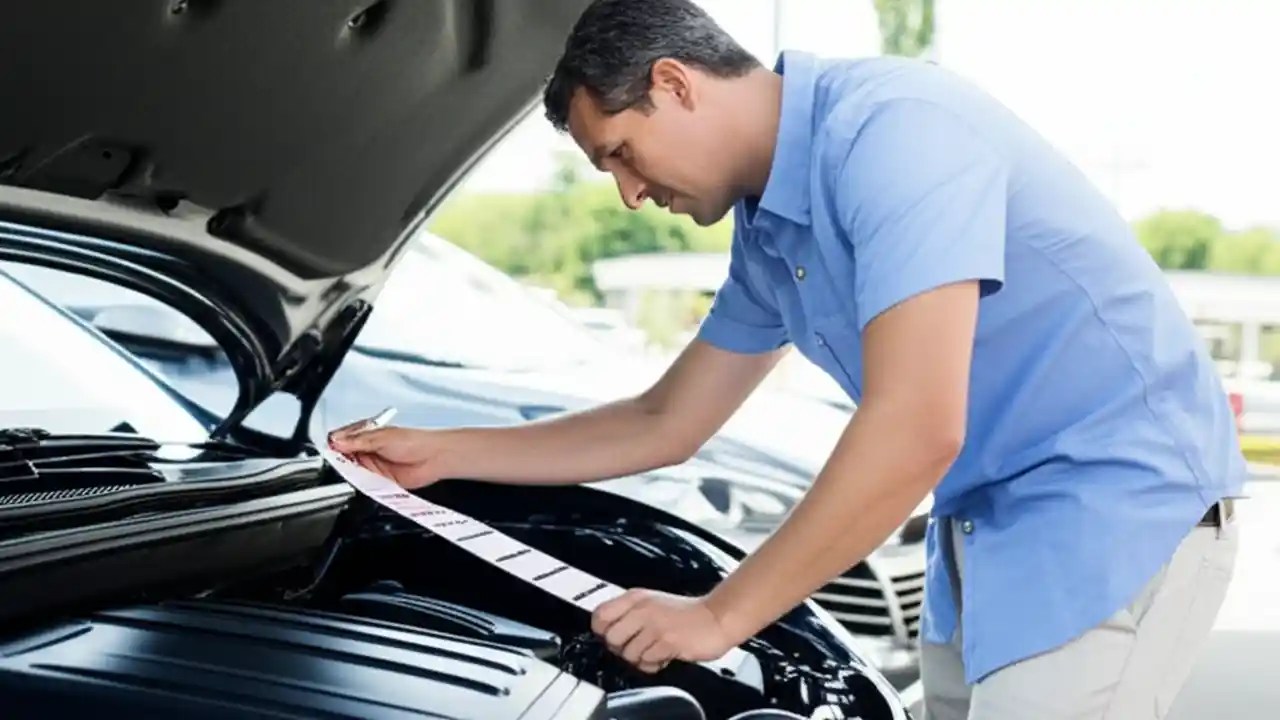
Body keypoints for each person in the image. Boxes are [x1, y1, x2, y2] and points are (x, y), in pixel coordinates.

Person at [330, 1, 1245, 717]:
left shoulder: (895, 134)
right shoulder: (769, 231)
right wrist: (445, 452)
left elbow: (918, 424)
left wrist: (719, 616)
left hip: (1112, 507)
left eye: (621, 154)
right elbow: (666, 421)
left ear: (676, 83)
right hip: (987, 534)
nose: (631, 194)